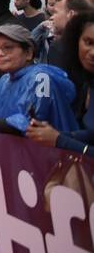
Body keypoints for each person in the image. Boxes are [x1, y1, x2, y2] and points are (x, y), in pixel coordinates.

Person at [26, 13, 94, 156]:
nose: (93, 52)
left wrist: (59, 140)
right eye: (88, 42)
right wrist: (53, 134)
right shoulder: (87, 83)